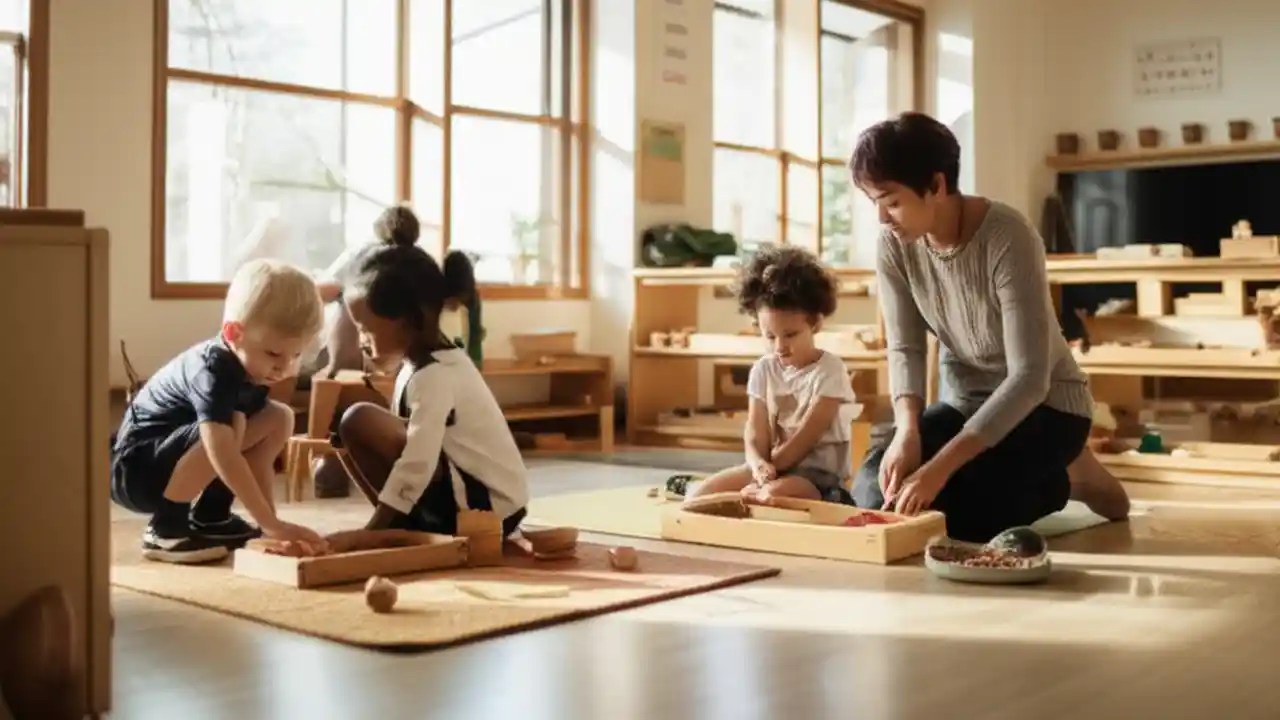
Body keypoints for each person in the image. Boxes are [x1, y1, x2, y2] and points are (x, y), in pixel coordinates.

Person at [848, 111, 1130, 542]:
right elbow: (906, 347)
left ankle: (1072, 476)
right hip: (965, 404)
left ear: (937, 186)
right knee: (872, 494)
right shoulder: (894, 245)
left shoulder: (1008, 236)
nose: (883, 219)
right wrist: (907, 430)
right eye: (875, 204)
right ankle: (1052, 464)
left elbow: (1030, 378)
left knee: (959, 518)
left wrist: (937, 467)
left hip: (1046, 409)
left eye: (891, 201)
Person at [110, 259, 330, 563]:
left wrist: (270, 527)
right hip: (136, 472)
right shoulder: (214, 369)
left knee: (278, 416)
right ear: (233, 332)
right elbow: (223, 453)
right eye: (273, 354)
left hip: (171, 460)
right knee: (232, 424)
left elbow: (255, 463)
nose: (284, 367)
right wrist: (271, 524)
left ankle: (211, 516)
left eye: (295, 355)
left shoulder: (251, 367)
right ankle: (165, 529)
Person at [336, 243, 529, 535]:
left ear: (407, 322)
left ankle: (389, 529)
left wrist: (369, 534)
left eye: (366, 329)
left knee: (359, 419)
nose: (361, 340)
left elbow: (417, 462)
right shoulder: (418, 366)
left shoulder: (436, 374)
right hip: (460, 489)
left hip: (488, 509)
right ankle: (398, 526)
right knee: (353, 423)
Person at [684, 246, 858, 505]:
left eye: (790, 335)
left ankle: (757, 495)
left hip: (816, 478)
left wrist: (768, 470)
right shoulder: (763, 369)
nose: (779, 347)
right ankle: (736, 493)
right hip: (770, 470)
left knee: (772, 496)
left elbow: (806, 439)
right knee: (697, 498)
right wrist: (756, 464)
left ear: (816, 324)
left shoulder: (830, 370)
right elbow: (755, 432)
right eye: (770, 336)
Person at [314, 204, 421, 379]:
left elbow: (328, 291)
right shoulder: (419, 262)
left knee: (346, 295)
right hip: (401, 360)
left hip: (351, 355)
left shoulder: (365, 252)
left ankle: (332, 379)